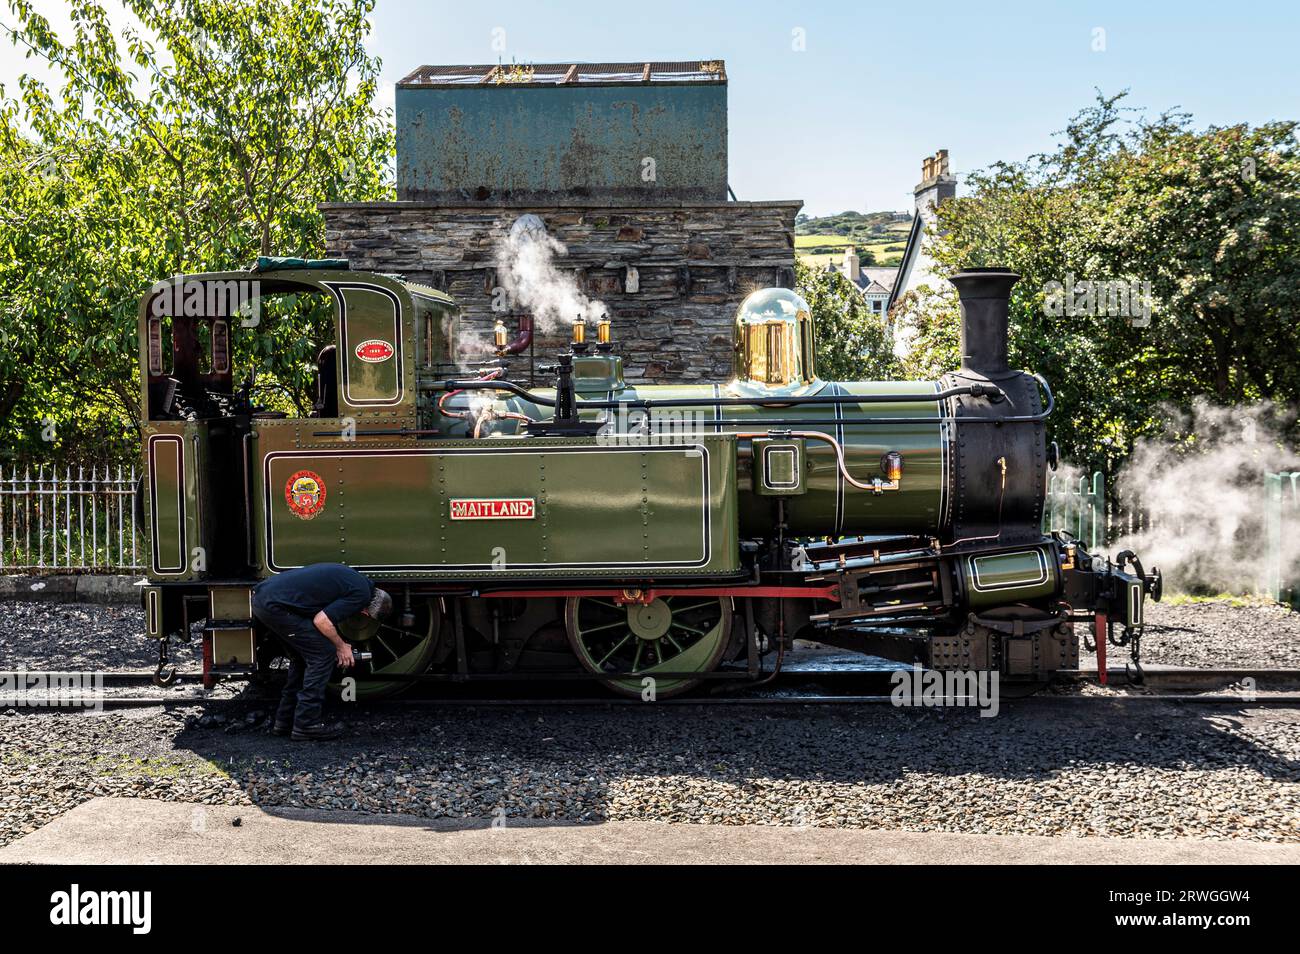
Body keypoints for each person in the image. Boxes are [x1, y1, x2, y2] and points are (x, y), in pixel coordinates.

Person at [251, 563, 392, 741]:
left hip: (265, 599)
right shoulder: (361, 596)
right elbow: (322, 621)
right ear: (366, 611)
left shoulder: (358, 582)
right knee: (323, 654)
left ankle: (284, 721)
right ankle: (306, 724)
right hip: (275, 606)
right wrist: (341, 646)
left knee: (301, 658)